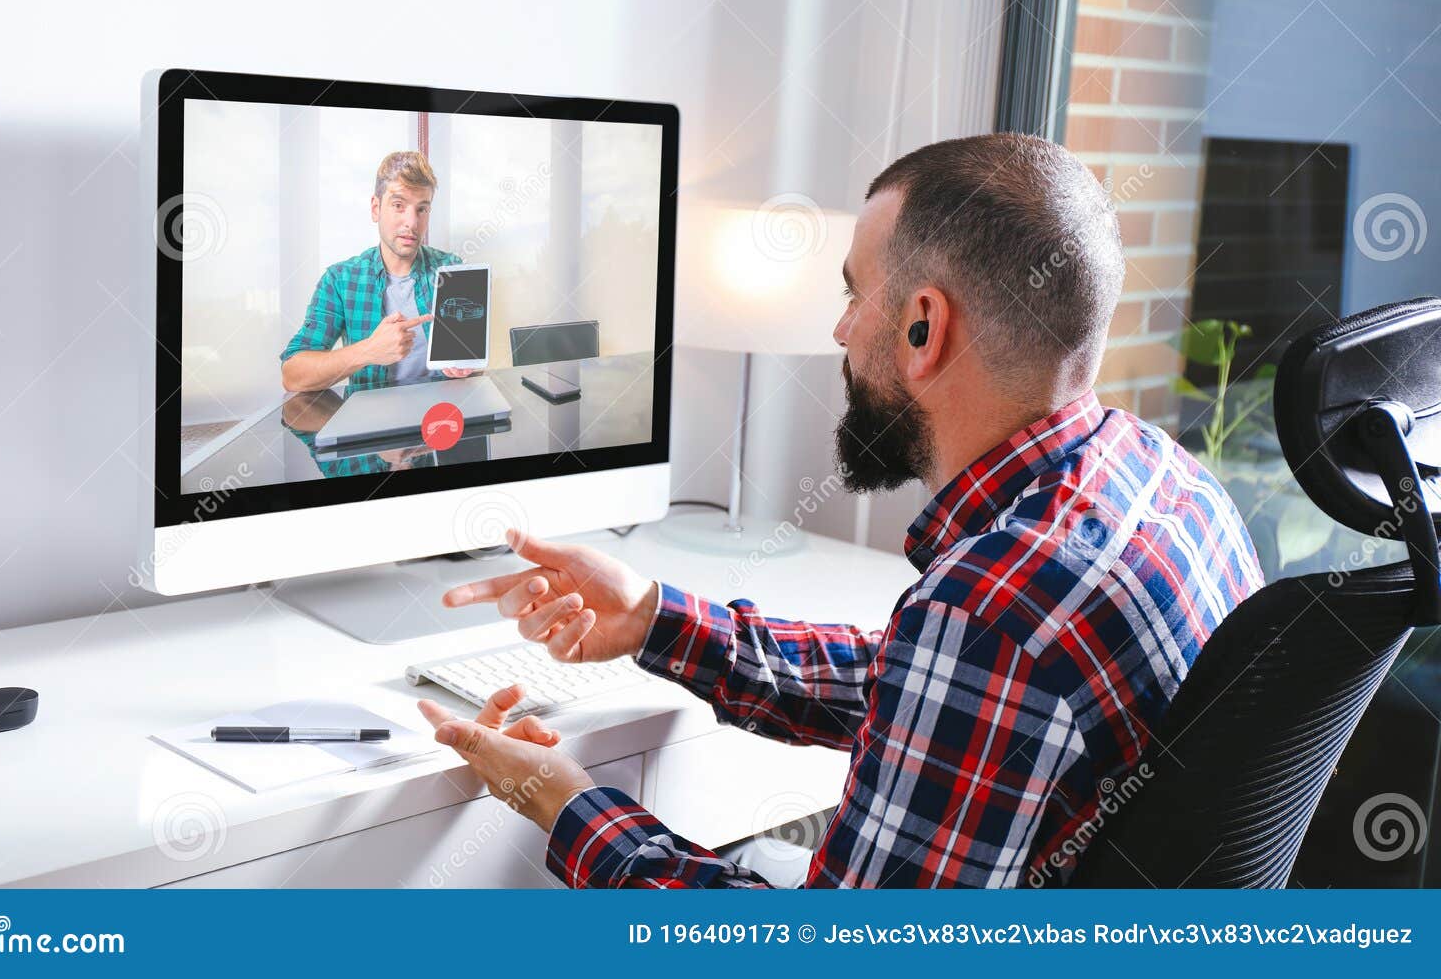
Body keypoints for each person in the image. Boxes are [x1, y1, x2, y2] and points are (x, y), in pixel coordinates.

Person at [417, 132, 1265, 888]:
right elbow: (932, 691)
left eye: (856, 295)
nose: (839, 329)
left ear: (925, 327)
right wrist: (651, 618)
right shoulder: (1165, 480)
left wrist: (563, 801)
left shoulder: (993, 612)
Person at [280, 150, 470, 394]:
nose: (411, 223)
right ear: (375, 208)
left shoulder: (452, 269)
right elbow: (293, 375)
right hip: (371, 423)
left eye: (421, 209)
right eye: (399, 205)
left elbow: (470, 367)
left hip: (440, 419)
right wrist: (368, 351)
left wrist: (467, 366)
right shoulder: (340, 280)